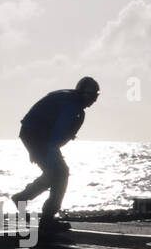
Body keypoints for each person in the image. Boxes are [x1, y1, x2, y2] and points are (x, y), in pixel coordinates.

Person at [11, 77, 100, 232]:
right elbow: (58, 132)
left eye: (96, 97)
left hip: (35, 135)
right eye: (91, 96)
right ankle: (45, 218)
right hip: (38, 136)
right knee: (60, 173)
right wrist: (47, 154)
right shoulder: (72, 105)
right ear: (82, 93)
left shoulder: (69, 99)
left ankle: (24, 199)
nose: (93, 101)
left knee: (54, 173)